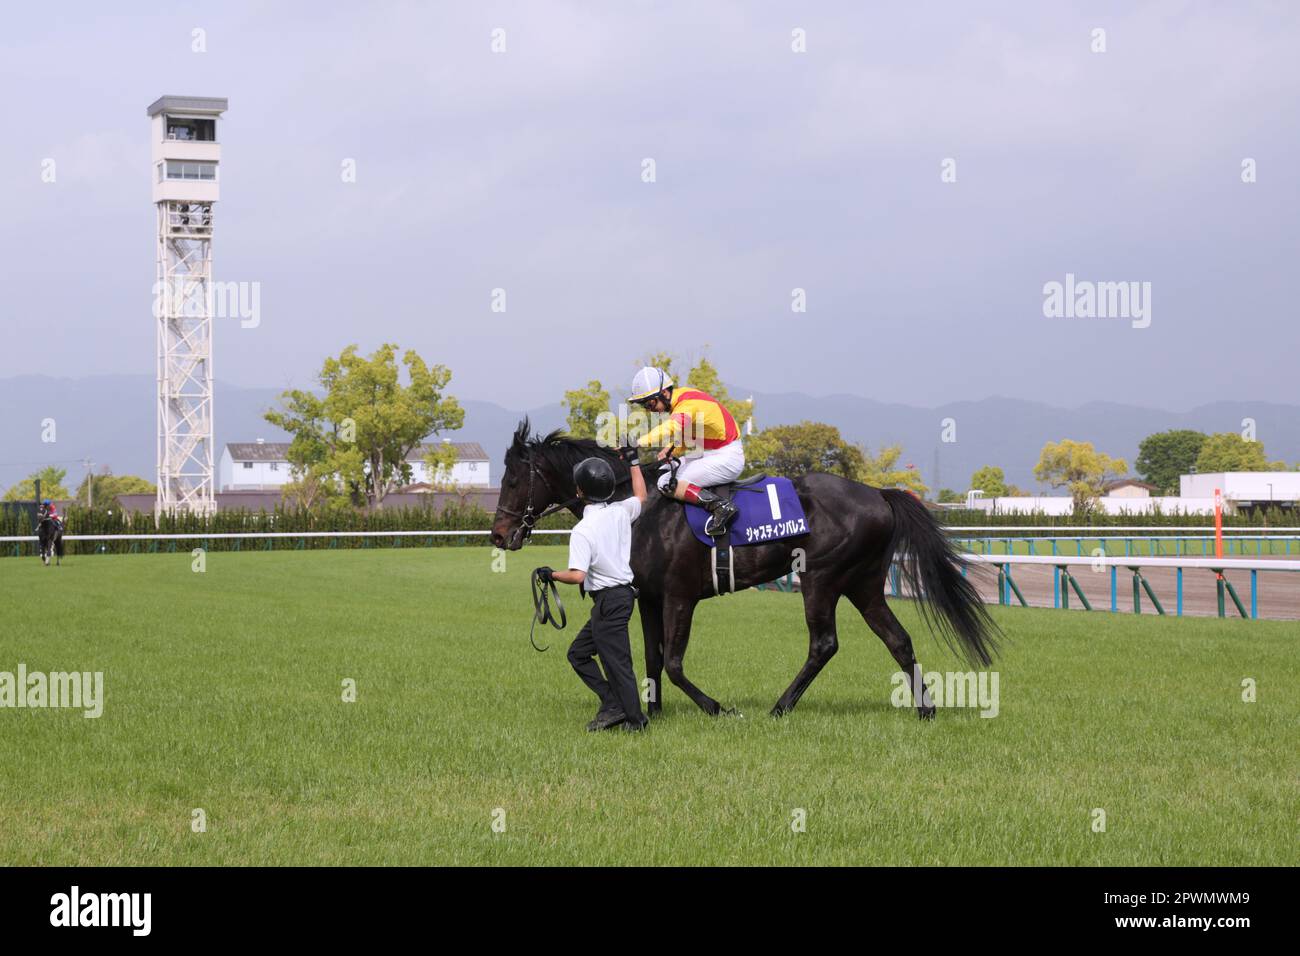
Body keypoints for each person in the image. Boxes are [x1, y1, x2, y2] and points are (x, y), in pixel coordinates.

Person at [535, 447, 649, 732]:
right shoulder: (621, 512)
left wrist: (551, 574)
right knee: (578, 653)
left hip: (610, 600)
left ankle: (636, 721)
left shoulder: (583, 530)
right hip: (618, 599)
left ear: (580, 490)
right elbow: (642, 497)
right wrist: (634, 462)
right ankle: (612, 704)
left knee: (618, 663)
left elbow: (577, 575)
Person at [629, 366, 742, 536]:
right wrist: (672, 449)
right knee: (664, 469)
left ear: (665, 393)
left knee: (665, 482)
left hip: (727, 458)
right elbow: (688, 433)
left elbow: (672, 427)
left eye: (650, 403)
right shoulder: (681, 398)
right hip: (712, 453)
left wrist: (637, 442)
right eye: (644, 406)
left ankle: (720, 506)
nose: (649, 410)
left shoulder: (687, 404)